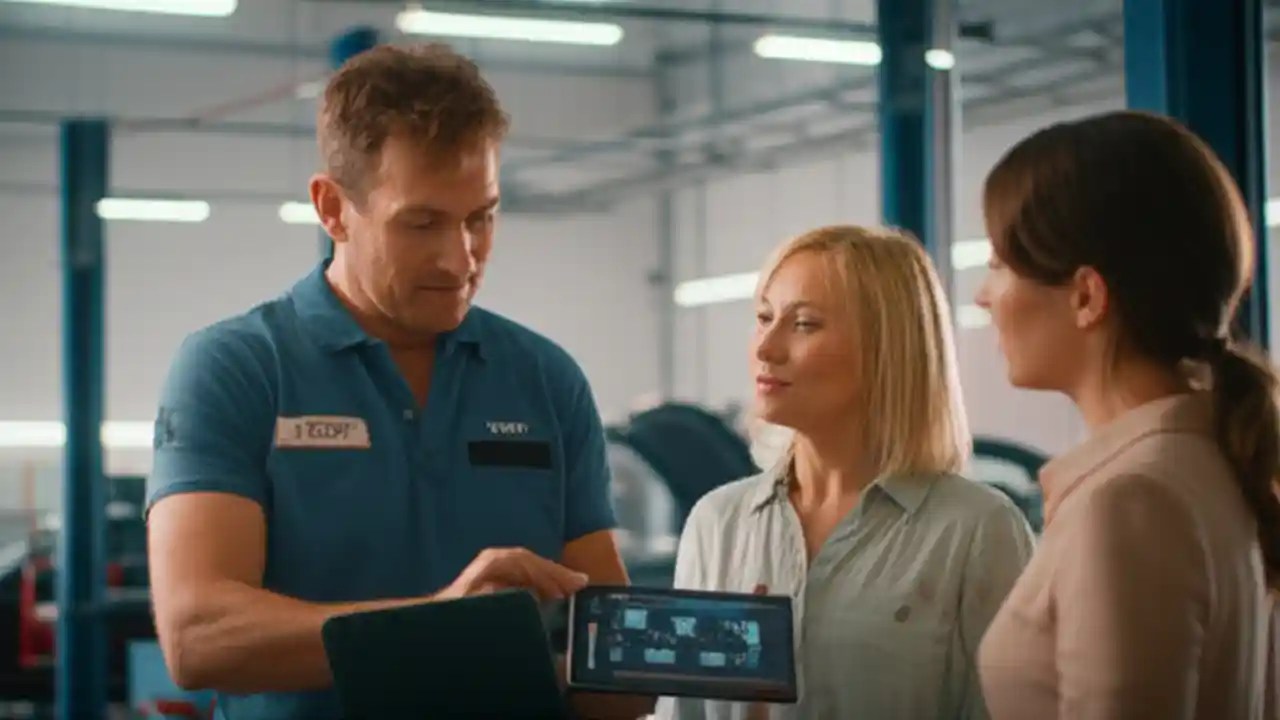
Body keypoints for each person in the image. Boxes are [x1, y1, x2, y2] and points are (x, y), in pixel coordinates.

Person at [145, 43, 651, 720]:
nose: (460, 258)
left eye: (482, 217)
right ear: (332, 209)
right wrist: (442, 626)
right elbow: (199, 636)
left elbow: (611, 672)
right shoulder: (238, 369)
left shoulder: (543, 378)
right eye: (422, 223)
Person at [655, 226, 1036, 719]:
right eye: (764, 317)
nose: (766, 348)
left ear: (888, 347)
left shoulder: (978, 530)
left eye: (805, 324)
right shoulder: (718, 521)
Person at [973, 110, 1278, 719]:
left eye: (1000, 265)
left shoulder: (1129, 500)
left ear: (1087, 296)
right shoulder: (1210, 463)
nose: (984, 296)